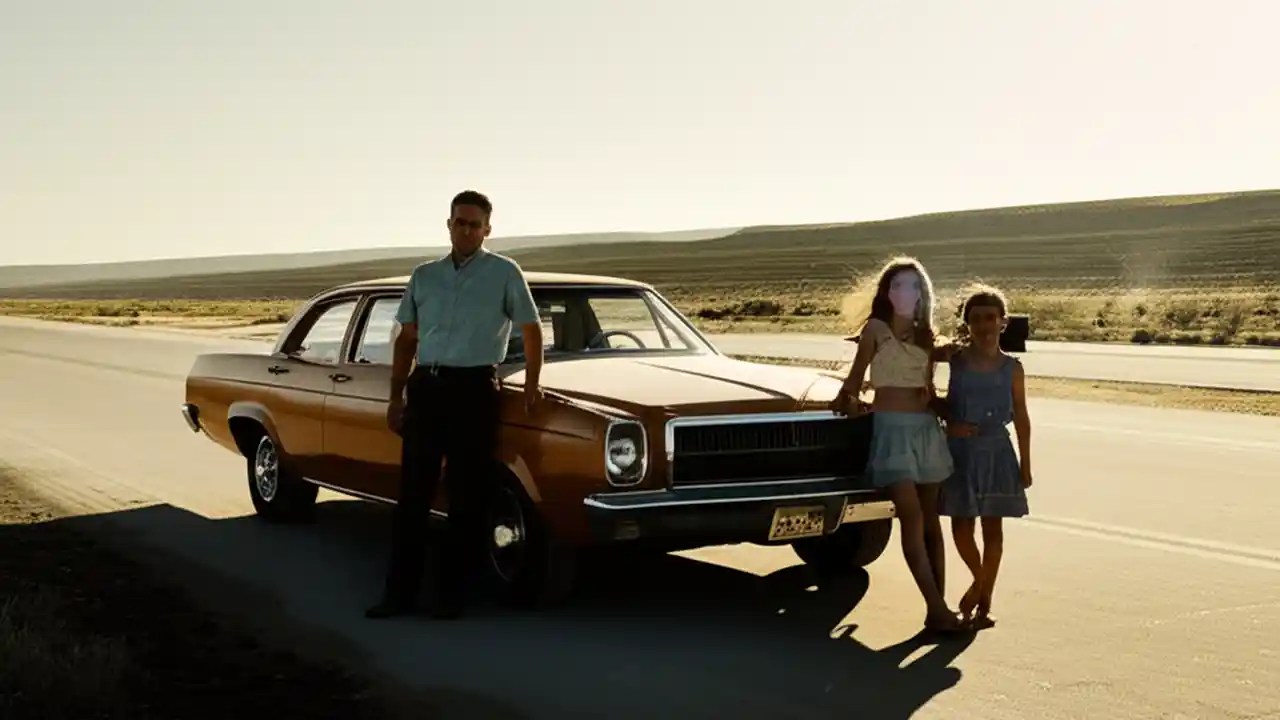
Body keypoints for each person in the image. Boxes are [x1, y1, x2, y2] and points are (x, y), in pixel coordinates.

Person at [365, 189, 544, 620]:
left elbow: (531, 329)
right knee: (413, 495)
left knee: (466, 498)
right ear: (448, 225)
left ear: (487, 229)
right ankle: (398, 596)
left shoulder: (505, 273)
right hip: (427, 387)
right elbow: (407, 339)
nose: (466, 231)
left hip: (473, 391)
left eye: (474, 225)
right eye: (459, 222)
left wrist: (533, 384)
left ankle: (450, 598)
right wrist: (395, 396)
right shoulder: (424, 276)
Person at [830, 256, 966, 634]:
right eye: (897, 285)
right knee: (912, 517)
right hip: (891, 432)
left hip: (924, 430)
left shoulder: (928, 337)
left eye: (913, 286)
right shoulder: (875, 330)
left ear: (923, 293)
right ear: (886, 293)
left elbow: (932, 390)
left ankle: (939, 609)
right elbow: (852, 384)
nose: (905, 293)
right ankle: (936, 607)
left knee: (931, 521)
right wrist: (851, 404)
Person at [937, 283, 1032, 629]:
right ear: (967, 323)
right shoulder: (956, 361)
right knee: (962, 526)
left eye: (990, 317)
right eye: (976, 318)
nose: (984, 325)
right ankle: (979, 582)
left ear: (1003, 322)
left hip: (997, 452)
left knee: (993, 530)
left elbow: (1021, 417)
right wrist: (950, 422)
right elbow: (926, 390)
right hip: (961, 452)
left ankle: (984, 605)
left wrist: (1026, 464)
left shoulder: (1013, 368)